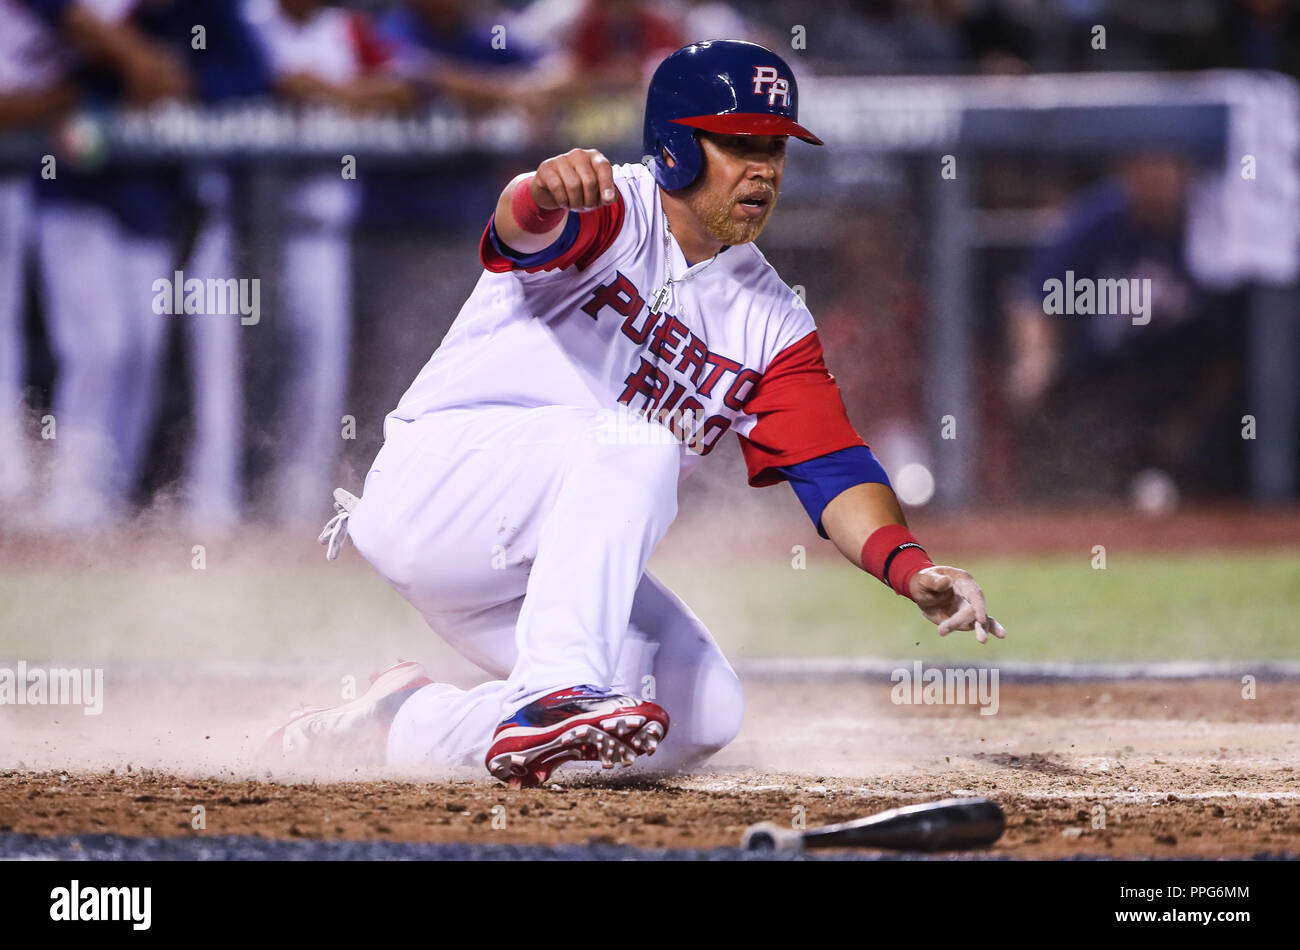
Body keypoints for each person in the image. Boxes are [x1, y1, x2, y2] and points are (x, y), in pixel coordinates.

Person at [264, 40, 1006, 788]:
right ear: (677, 145)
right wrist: (543, 188)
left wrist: (911, 568)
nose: (765, 168)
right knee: (640, 439)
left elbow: (833, 467)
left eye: (775, 146)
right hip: (438, 493)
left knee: (702, 713)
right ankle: (553, 692)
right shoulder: (612, 207)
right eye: (739, 143)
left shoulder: (774, 320)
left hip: (534, 576)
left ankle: (401, 726)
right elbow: (519, 226)